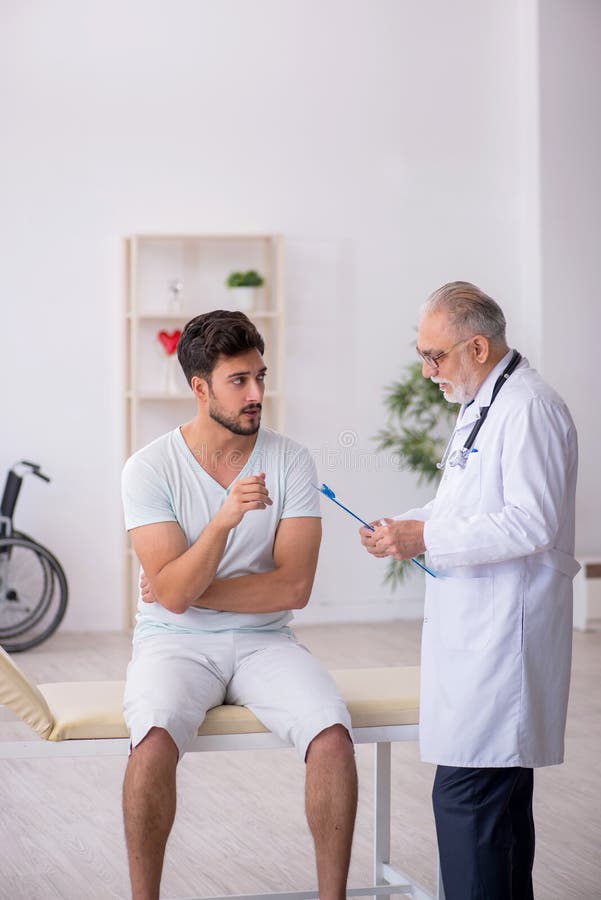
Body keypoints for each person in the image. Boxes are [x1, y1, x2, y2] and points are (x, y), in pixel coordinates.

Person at [121, 310, 357, 900]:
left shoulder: (292, 460)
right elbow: (171, 602)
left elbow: (293, 588)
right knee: (152, 740)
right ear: (200, 388)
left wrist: (183, 588)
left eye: (260, 376)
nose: (256, 394)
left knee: (332, 734)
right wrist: (224, 520)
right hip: (174, 642)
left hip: (265, 640)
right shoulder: (149, 469)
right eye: (239, 381)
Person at [359, 282, 579, 900]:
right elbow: (461, 506)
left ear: (477, 348)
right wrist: (405, 527)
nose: (427, 372)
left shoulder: (529, 407)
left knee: (468, 801)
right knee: (496, 814)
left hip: (504, 640)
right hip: (478, 636)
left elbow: (531, 522)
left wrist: (425, 537)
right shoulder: (484, 405)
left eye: (434, 356)